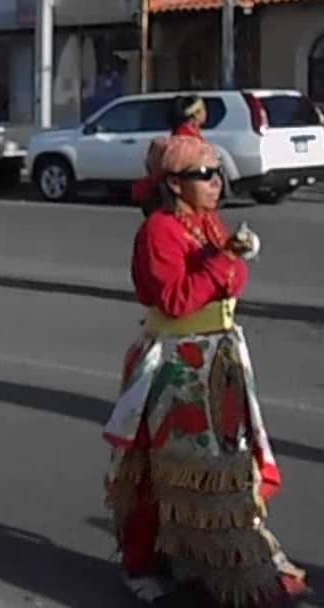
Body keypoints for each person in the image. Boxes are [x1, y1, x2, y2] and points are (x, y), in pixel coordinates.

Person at [104, 134, 309, 606]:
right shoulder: (159, 231)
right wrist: (225, 260)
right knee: (161, 470)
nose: (216, 183)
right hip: (175, 363)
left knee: (228, 465)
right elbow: (175, 300)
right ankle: (142, 561)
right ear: (175, 184)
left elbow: (232, 280)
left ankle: (210, 557)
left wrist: (227, 259)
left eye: (218, 174)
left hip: (217, 357)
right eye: (204, 175)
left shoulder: (205, 224)